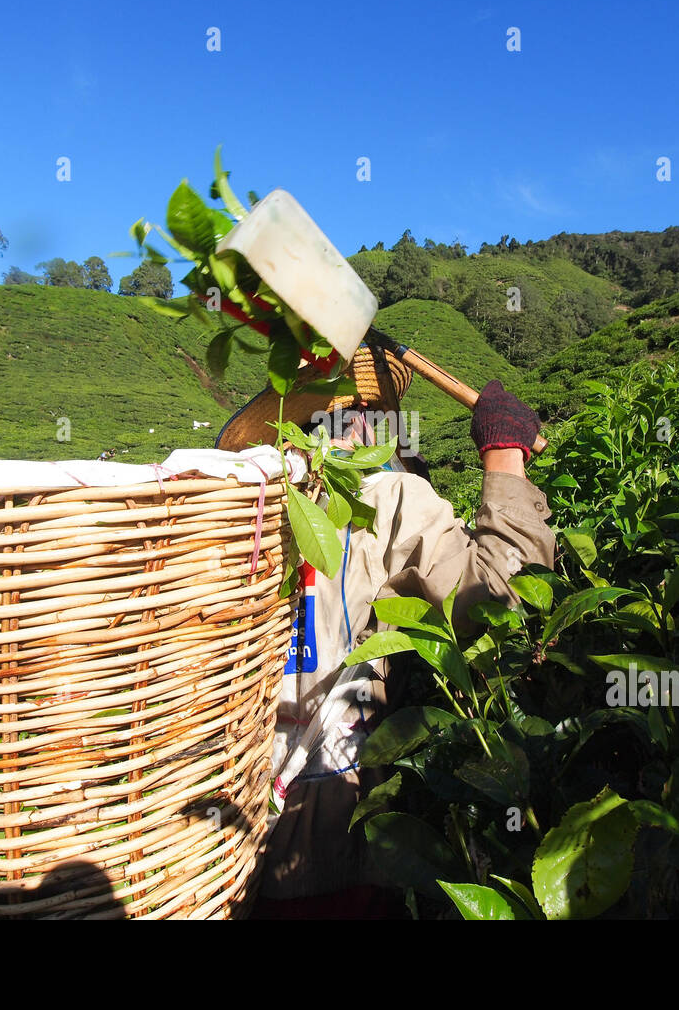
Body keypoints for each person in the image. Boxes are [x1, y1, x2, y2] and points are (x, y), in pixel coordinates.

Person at [214, 343, 556, 918]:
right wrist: (504, 455)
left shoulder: (244, 505)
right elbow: (499, 601)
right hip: (330, 846)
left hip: (223, 841)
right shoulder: (388, 496)